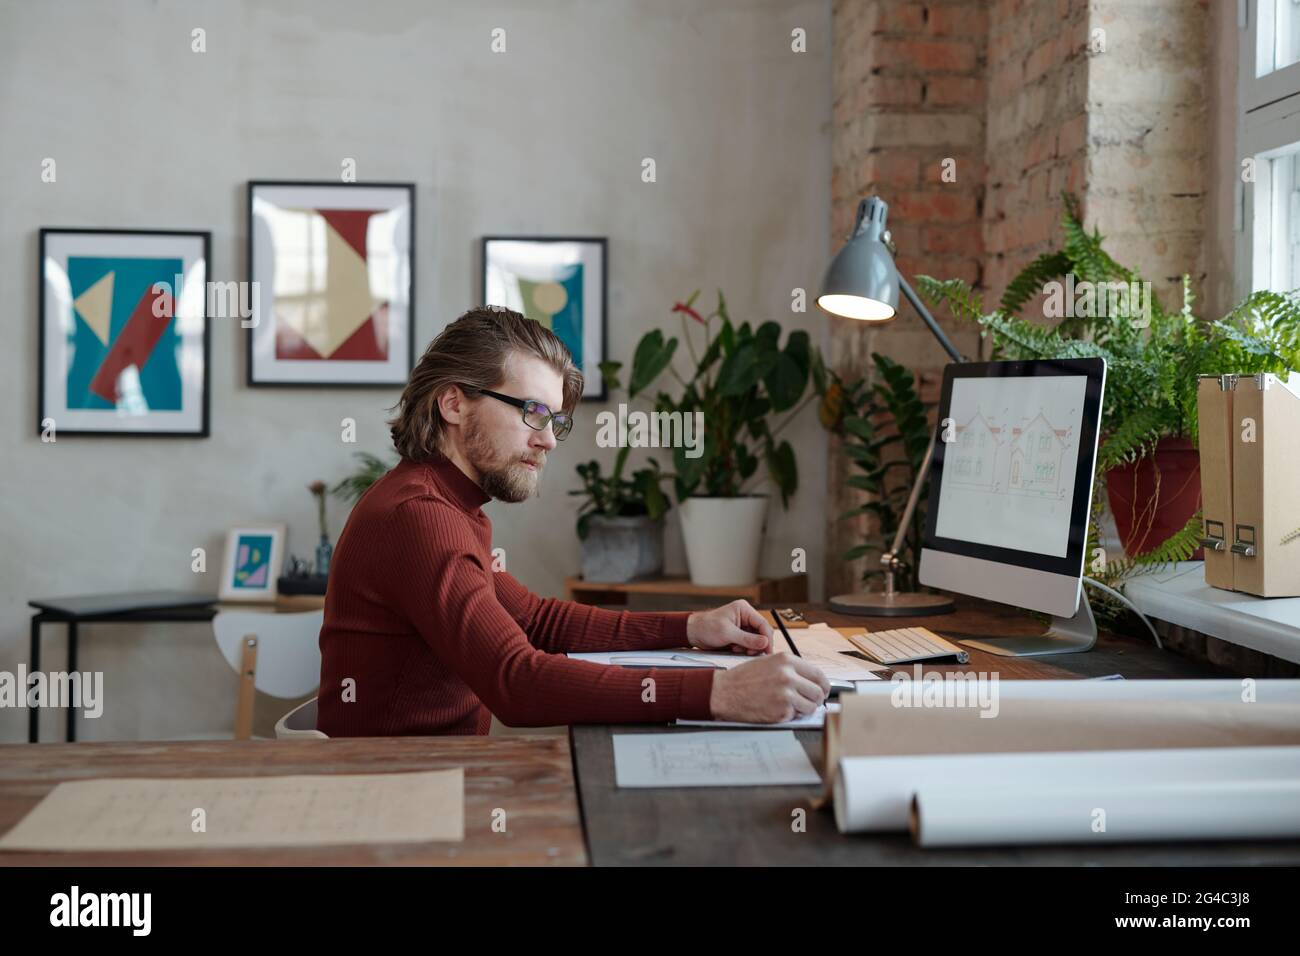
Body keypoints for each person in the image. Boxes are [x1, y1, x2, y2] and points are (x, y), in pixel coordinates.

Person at [317, 306, 829, 736]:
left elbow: (537, 622)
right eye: (532, 412)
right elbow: (516, 682)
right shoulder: (419, 517)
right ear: (453, 403)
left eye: (555, 420)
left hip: (443, 778)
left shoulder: (448, 504)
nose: (549, 440)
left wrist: (694, 625)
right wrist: (721, 692)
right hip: (400, 800)